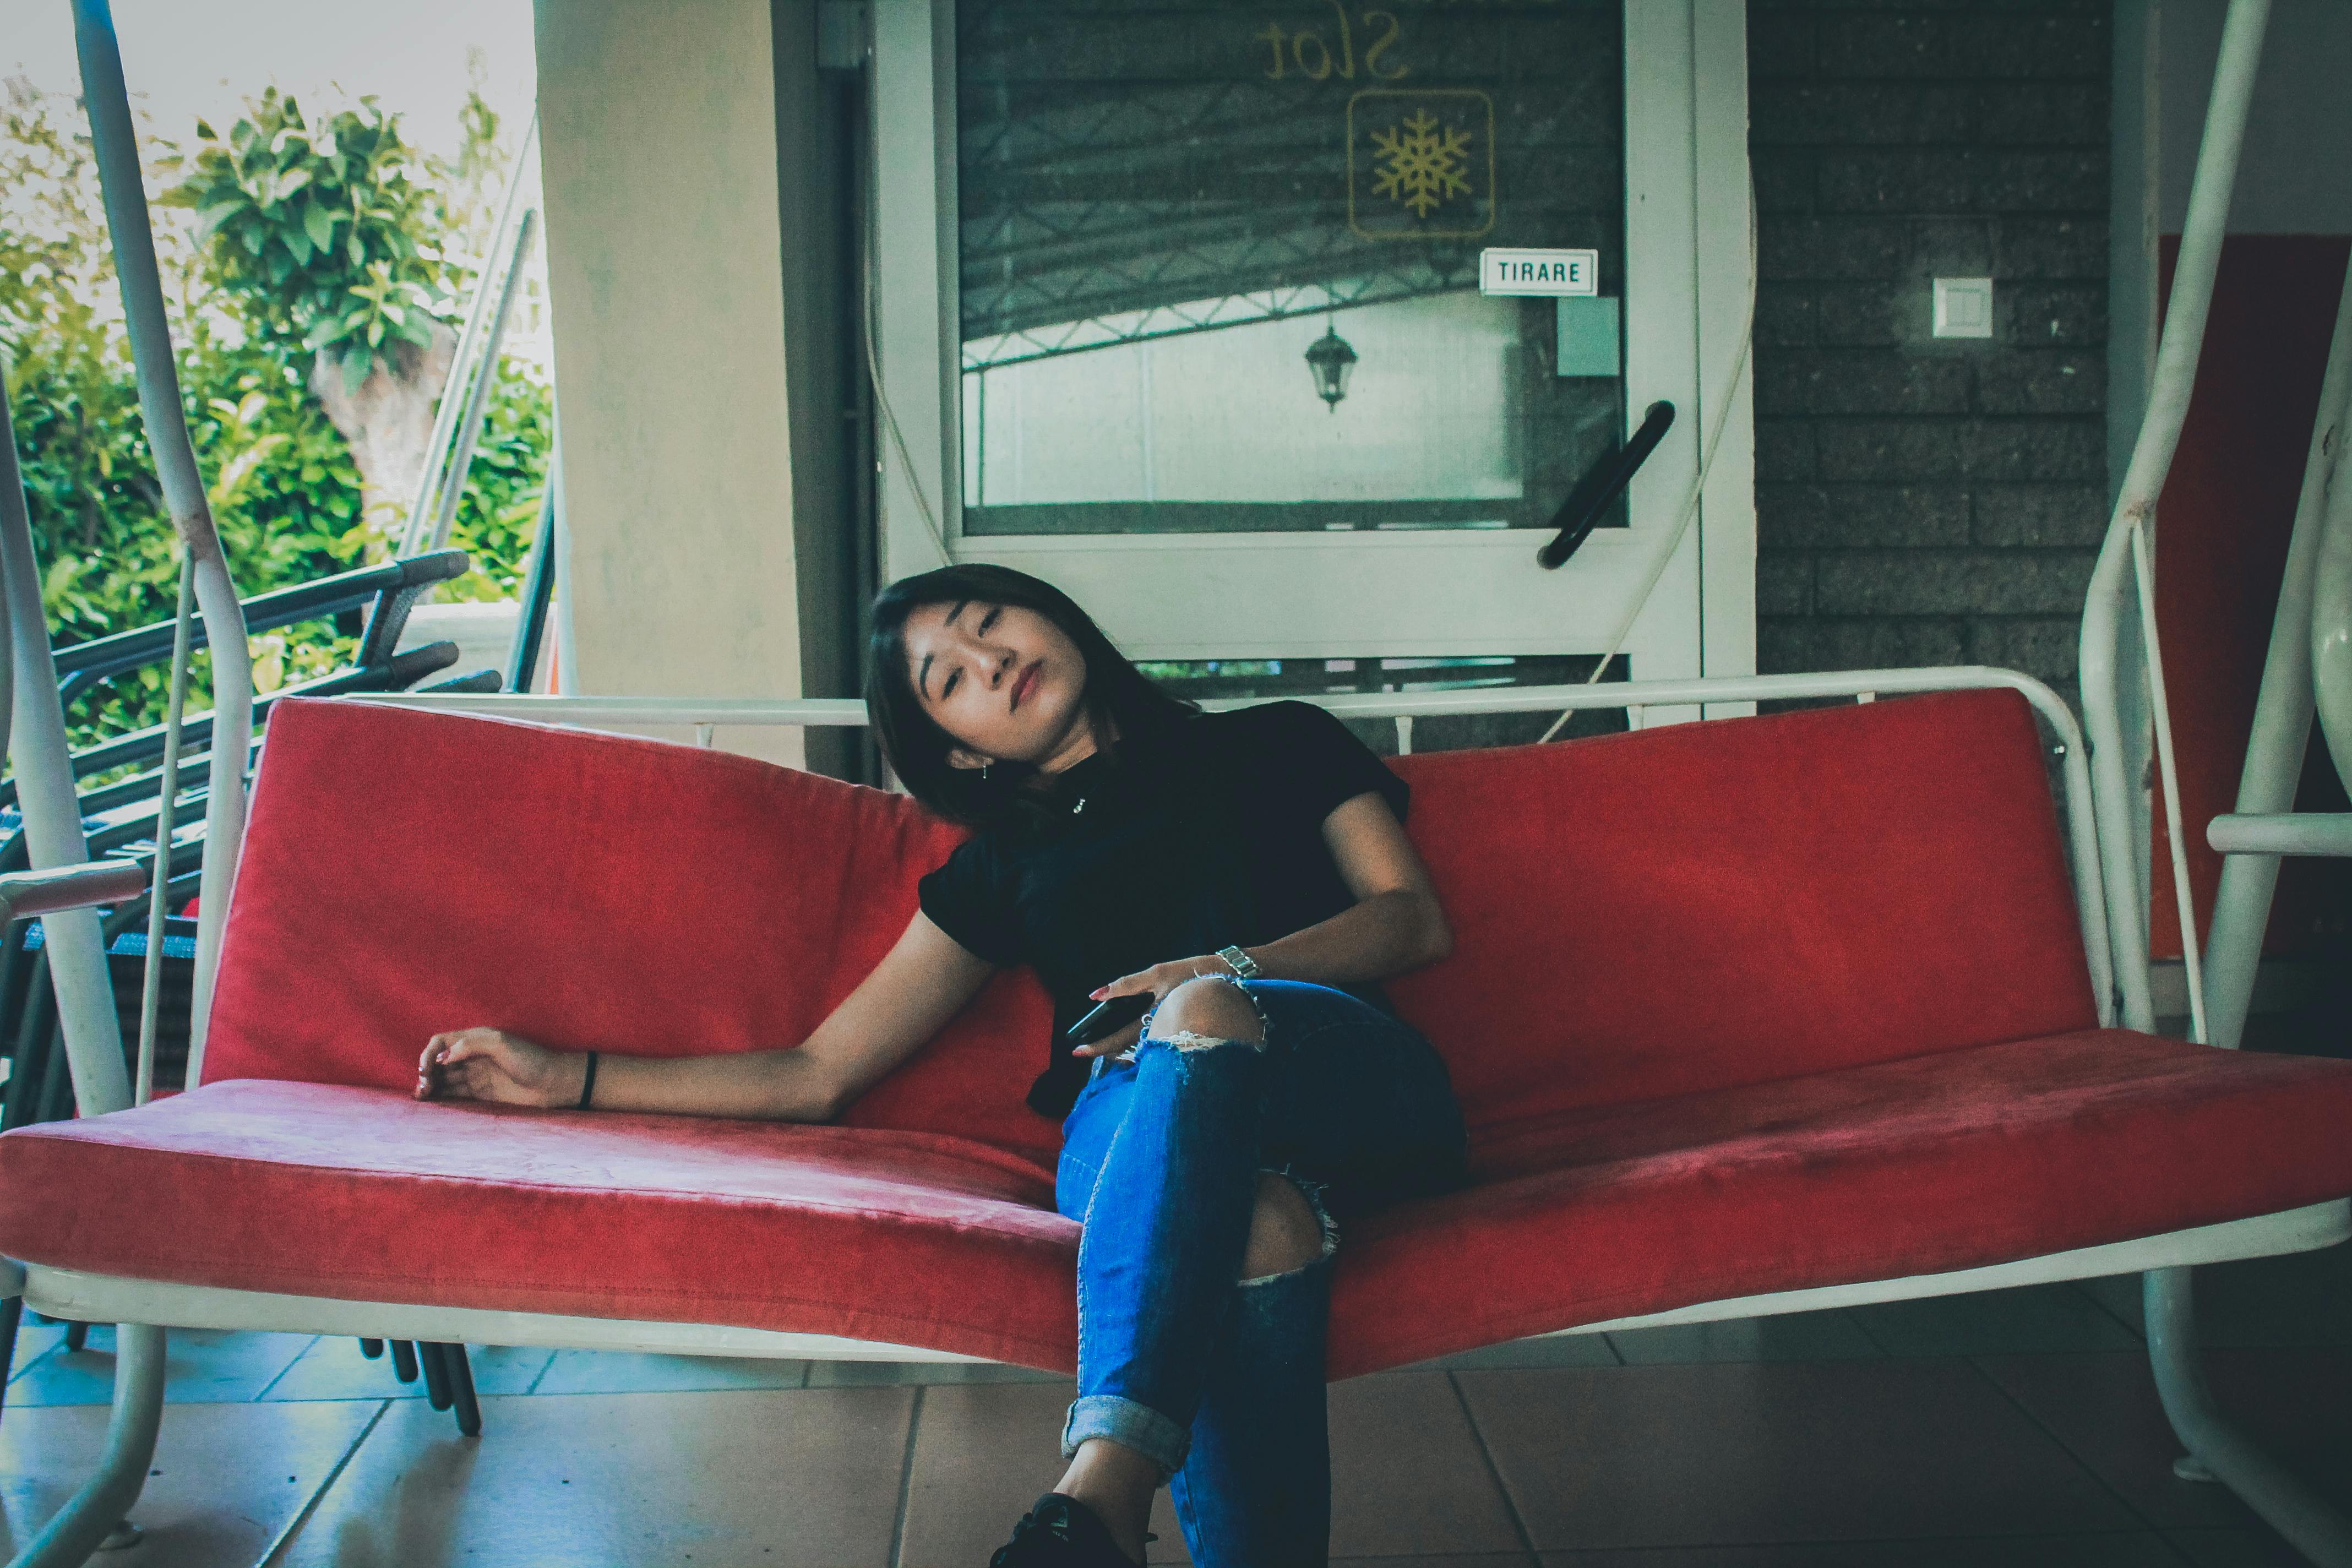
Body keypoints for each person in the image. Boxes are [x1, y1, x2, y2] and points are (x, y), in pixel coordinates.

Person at [416, 563, 1470, 1567]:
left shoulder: (1281, 742)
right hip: (1132, 1123)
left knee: (1201, 1011)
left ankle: (1104, 1482)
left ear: (1045, 613)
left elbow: (1411, 919)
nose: (989, 659)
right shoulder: (1002, 869)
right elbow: (817, 1070)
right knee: (1256, 1223)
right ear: (961, 752)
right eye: (950, 680)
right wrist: (572, 1077)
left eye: (986, 621)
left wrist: (1223, 972)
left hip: (1343, 1075)